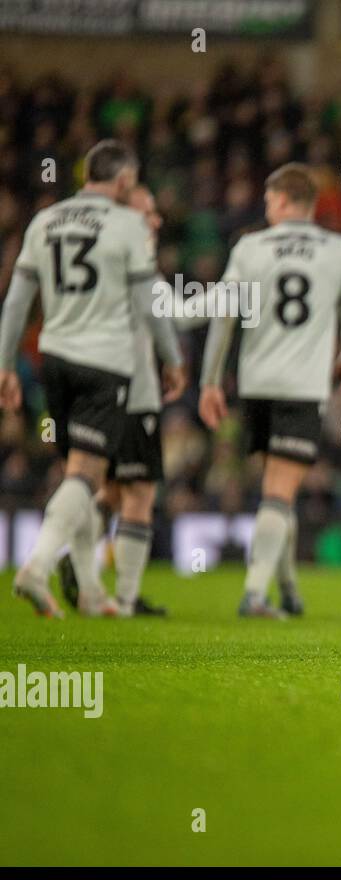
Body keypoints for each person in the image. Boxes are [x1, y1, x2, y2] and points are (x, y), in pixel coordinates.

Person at [0, 140, 185, 618]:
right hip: (105, 363)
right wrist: (173, 360)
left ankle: (89, 592)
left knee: (84, 477)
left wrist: (4, 365)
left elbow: (17, 302)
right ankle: (37, 567)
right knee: (86, 476)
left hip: (53, 360)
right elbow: (152, 304)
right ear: (123, 181)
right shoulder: (126, 226)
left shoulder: (45, 220)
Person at [197, 163, 341, 618]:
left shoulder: (251, 247)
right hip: (301, 385)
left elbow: (224, 318)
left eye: (270, 201)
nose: (266, 209)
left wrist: (210, 381)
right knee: (280, 490)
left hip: (257, 385)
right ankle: (254, 594)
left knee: (278, 488)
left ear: (289, 200)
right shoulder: (337, 249)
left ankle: (289, 589)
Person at [56, 183, 172, 617]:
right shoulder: (132, 257)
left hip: (95, 391)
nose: (157, 220)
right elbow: (172, 311)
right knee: (139, 492)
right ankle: (124, 597)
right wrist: (233, 295)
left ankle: (72, 560)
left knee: (111, 492)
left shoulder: (103, 257)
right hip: (135, 394)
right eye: (149, 211)